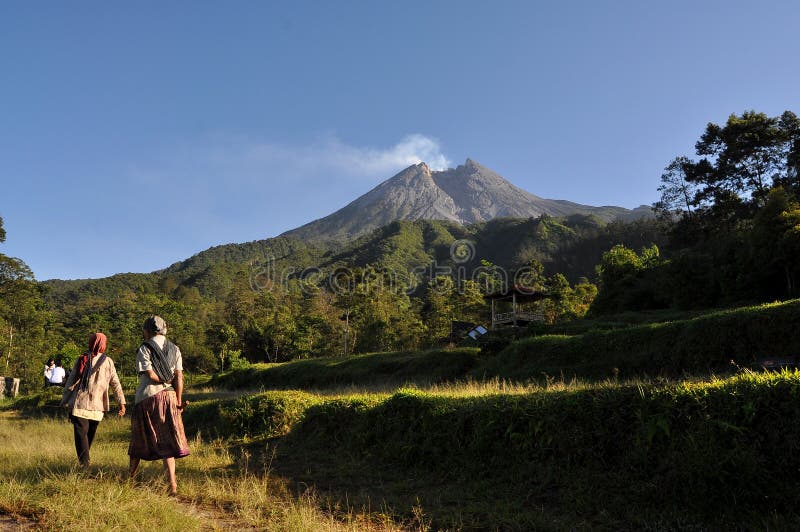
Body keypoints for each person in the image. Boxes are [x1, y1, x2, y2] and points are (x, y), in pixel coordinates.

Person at [128, 315, 190, 496]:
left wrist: (162, 380)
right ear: (164, 329)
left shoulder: (145, 348)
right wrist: (178, 400)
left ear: (147, 331)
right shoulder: (175, 348)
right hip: (170, 397)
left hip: (148, 397)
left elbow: (149, 374)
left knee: (138, 438)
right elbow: (179, 377)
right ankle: (173, 485)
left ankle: (130, 479)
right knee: (168, 442)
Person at [60, 332, 126, 467]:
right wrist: (121, 403)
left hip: (81, 402)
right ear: (104, 344)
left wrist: (65, 399)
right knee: (88, 435)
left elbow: (71, 380)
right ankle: (85, 462)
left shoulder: (82, 359)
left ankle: (84, 463)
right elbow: (116, 383)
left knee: (81, 435)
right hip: (98, 405)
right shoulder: (108, 362)